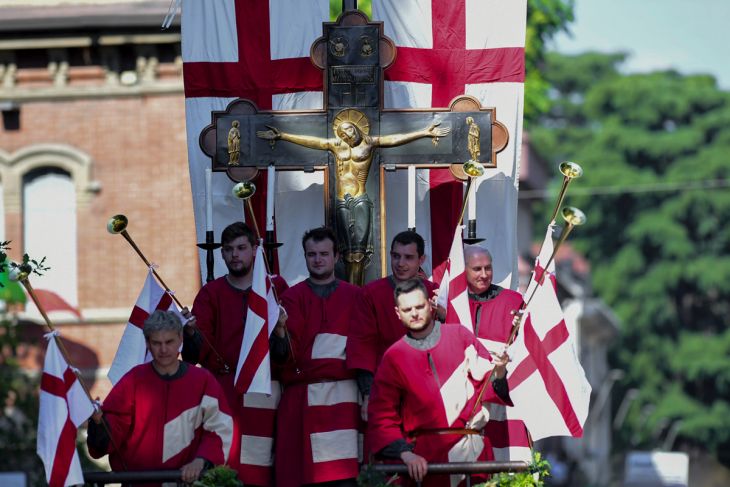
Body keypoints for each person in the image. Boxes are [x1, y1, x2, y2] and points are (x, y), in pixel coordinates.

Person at [257, 109, 450, 284]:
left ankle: (356, 289)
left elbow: (394, 139)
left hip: (360, 198)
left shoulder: (370, 142)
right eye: (343, 133)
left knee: (360, 251)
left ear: (356, 126)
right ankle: (349, 289)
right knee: (346, 250)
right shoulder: (336, 145)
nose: (348, 134)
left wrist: (424, 132)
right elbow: (313, 141)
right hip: (342, 200)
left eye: (350, 129)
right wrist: (282, 135)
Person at [368, 279, 512, 486]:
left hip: (472, 455)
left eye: (419, 306)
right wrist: (405, 455)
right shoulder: (393, 357)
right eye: (407, 309)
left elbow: (488, 386)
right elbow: (381, 417)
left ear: (429, 304)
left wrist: (499, 370)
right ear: (398, 313)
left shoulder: (460, 336)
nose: (415, 313)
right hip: (423, 462)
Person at [182, 222, 289, 486]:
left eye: (241, 248)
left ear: (255, 250)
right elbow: (194, 356)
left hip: (266, 390)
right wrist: (192, 333)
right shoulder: (211, 293)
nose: (234, 255)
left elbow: (286, 351)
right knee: (227, 468)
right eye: (228, 249)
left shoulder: (274, 288)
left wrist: (280, 331)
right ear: (221, 254)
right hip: (225, 392)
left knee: (265, 470)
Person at [87, 310, 233, 485]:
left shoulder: (203, 381)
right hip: (138, 483)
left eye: (169, 342)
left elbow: (219, 427)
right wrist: (98, 423)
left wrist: (201, 460)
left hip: (188, 483)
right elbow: (113, 429)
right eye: (156, 343)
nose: (164, 349)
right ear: (147, 343)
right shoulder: (133, 380)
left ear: (180, 339)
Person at [272, 227, 361, 487]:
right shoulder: (291, 297)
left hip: (345, 398)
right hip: (301, 399)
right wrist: (279, 332)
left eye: (324, 254)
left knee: (344, 477)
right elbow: (283, 356)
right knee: (300, 475)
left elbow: (365, 346)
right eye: (312, 254)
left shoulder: (356, 296)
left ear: (336, 257)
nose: (318, 259)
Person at [346, 230, 439, 421]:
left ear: (421, 260)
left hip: (429, 390)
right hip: (386, 389)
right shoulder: (371, 294)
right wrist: (368, 393)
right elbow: (363, 346)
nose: (400, 263)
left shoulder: (436, 294)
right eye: (396, 256)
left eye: (408, 257)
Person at [464, 245, 531, 463]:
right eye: (476, 269)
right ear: (463, 270)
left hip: (500, 403)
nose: (484, 274)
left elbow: (525, 355)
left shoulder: (512, 302)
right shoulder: (453, 303)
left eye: (488, 268)